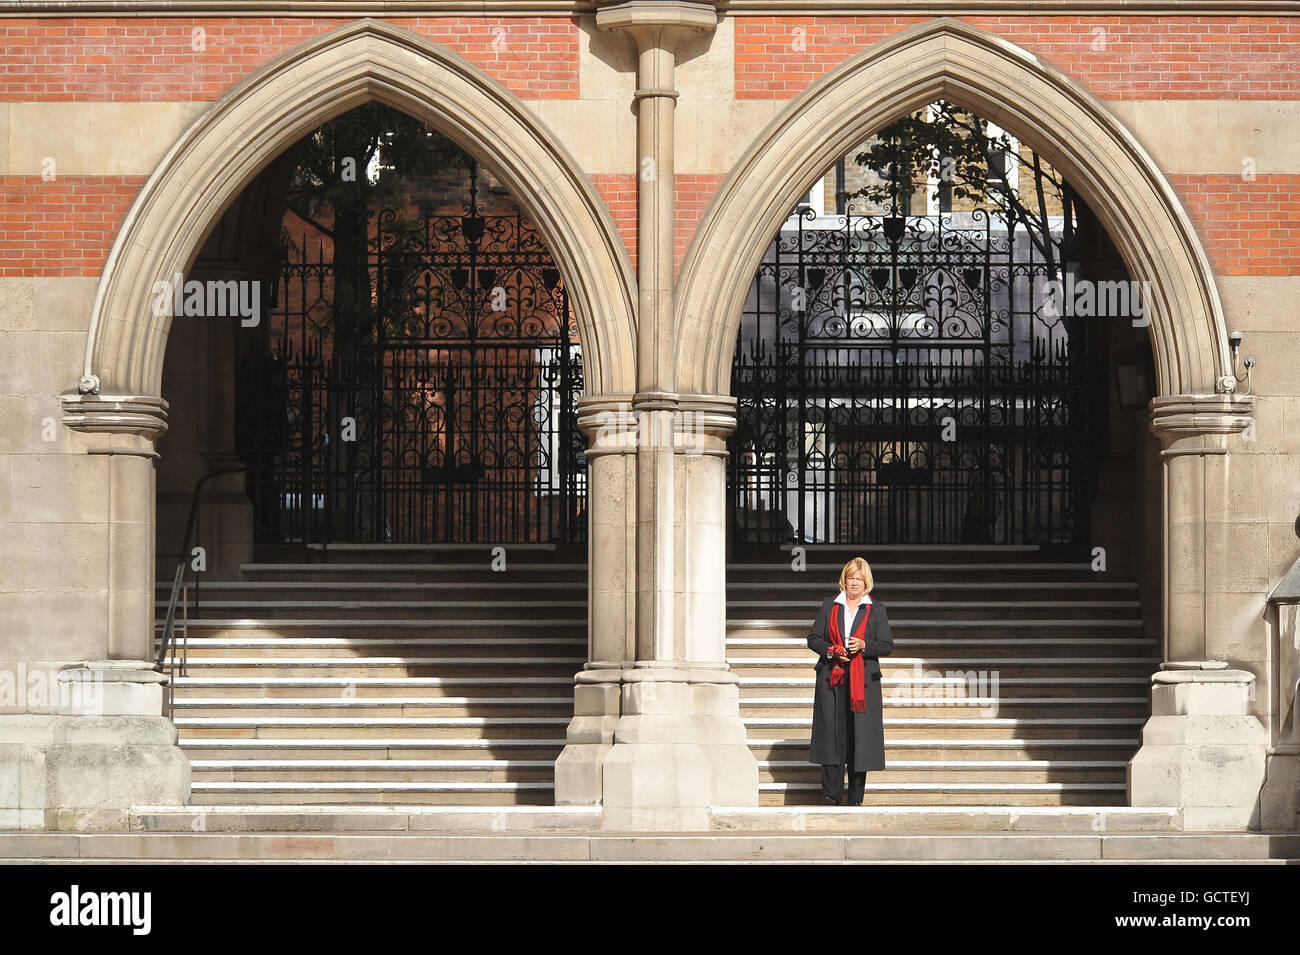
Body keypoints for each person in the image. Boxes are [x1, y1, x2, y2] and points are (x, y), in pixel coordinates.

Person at [806, 557, 894, 806]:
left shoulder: (876, 609)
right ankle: (831, 794)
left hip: (863, 682)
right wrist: (832, 650)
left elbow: (888, 645)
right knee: (832, 735)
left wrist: (865, 646)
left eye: (859, 579)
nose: (854, 583)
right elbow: (813, 639)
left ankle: (855, 797)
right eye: (851, 578)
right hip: (832, 679)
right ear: (844, 580)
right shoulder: (829, 606)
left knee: (860, 738)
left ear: (866, 582)